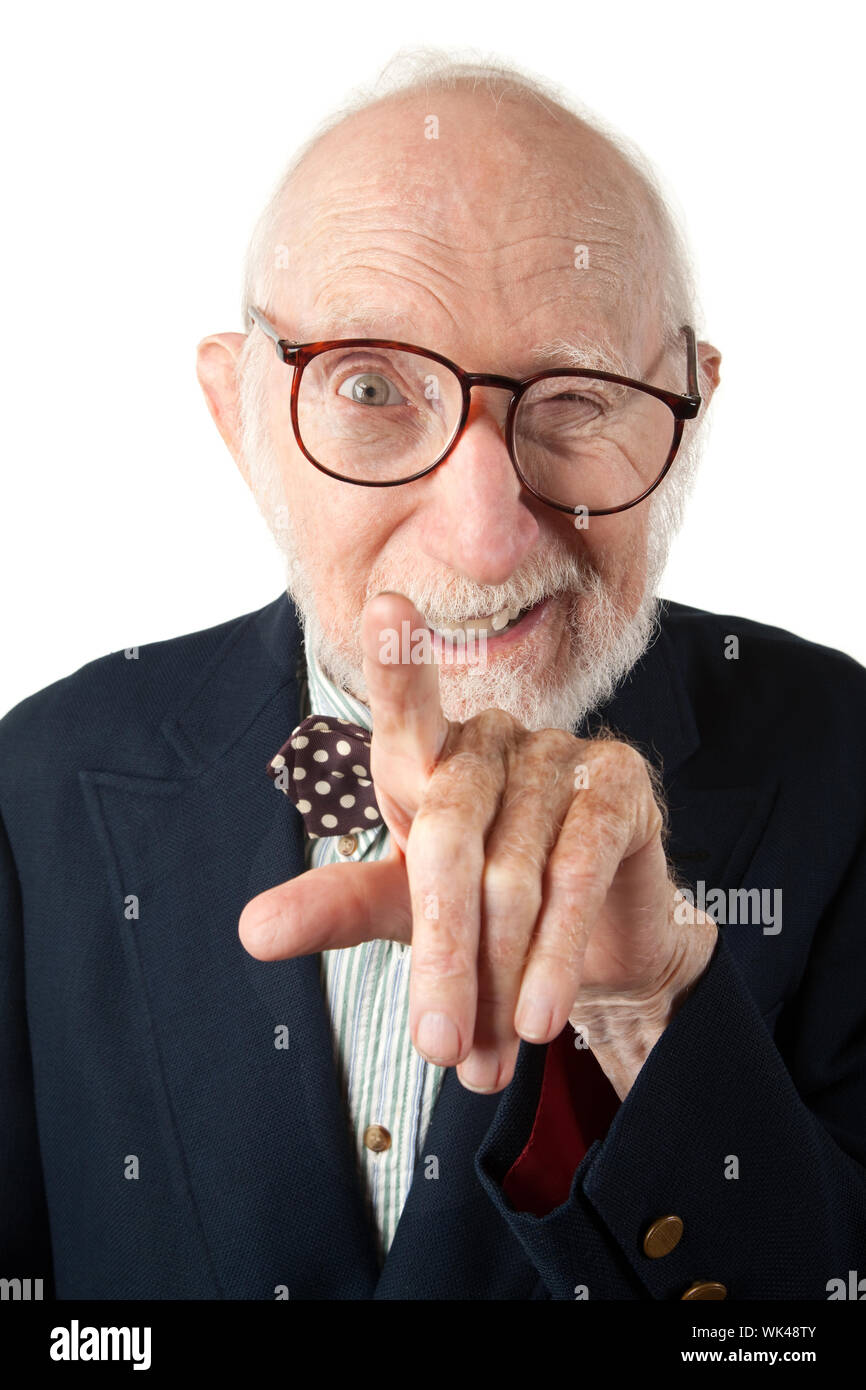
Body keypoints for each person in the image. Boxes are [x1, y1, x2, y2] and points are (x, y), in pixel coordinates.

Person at [2, 51, 864, 1301]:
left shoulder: (844, 760)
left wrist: (649, 1008)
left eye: (576, 397)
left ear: (686, 409)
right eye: (368, 386)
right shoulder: (42, 779)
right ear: (238, 420)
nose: (484, 533)